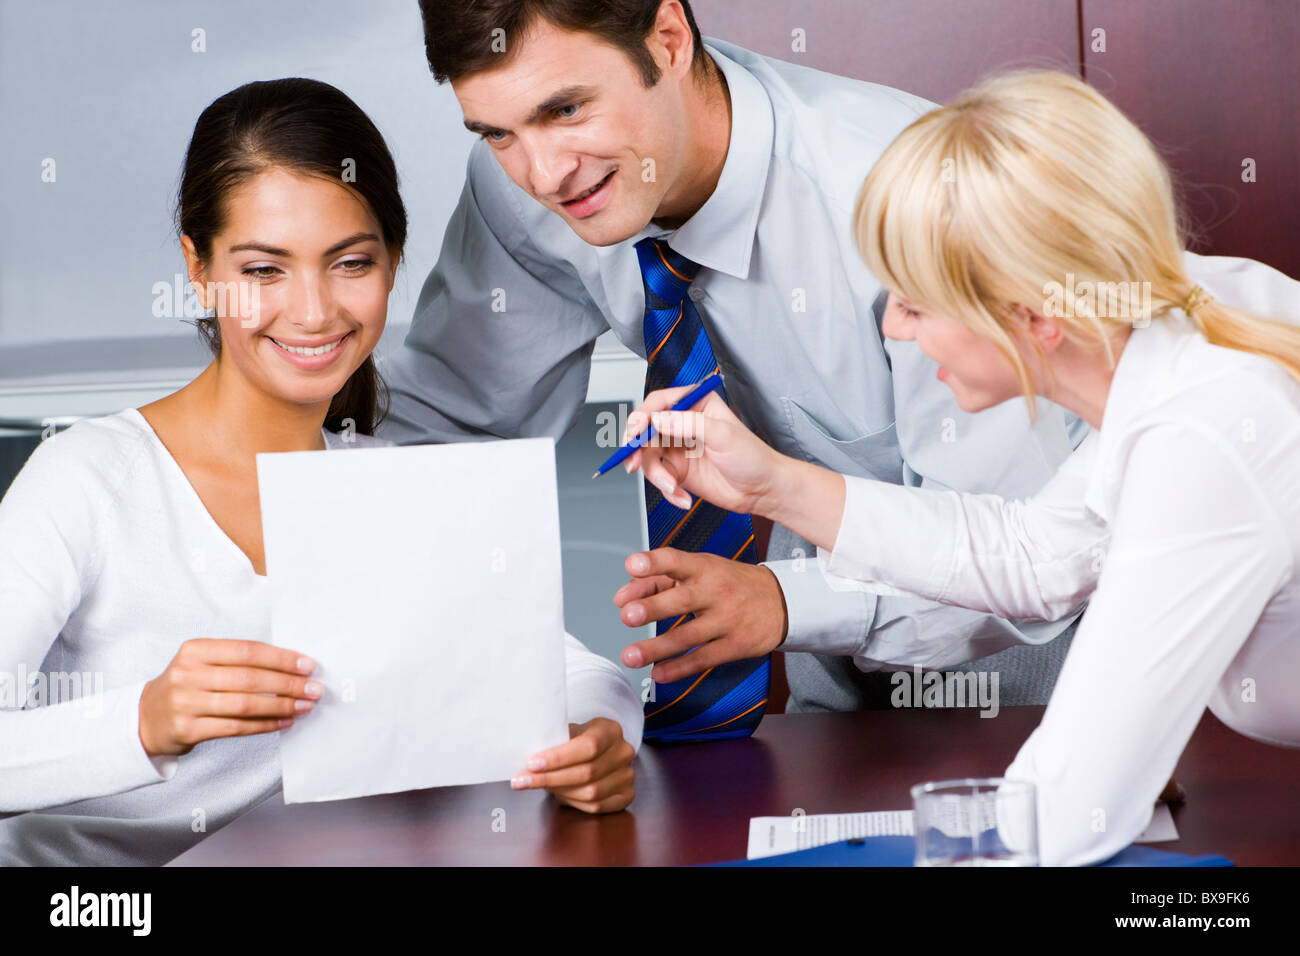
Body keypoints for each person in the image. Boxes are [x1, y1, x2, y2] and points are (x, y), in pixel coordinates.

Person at [382, 0, 1300, 723]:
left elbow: (1023, 550)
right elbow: (446, 424)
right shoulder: (533, 192)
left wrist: (785, 603)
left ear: (667, 37)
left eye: (566, 109)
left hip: (1035, 665)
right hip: (824, 675)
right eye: (496, 133)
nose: (542, 174)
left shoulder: (890, 194)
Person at [618, 69, 1300, 865]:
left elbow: (1068, 811)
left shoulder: (1205, 430)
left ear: (1031, 316)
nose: (899, 333)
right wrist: (770, 481)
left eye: (912, 302)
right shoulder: (1168, 364)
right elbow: (1034, 555)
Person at [0, 77, 641, 867]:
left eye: (349, 263)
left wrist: (599, 737)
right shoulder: (89, 480)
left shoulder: (389, 490)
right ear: (197, 269)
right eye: (264, 270)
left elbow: (566, 668)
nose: (312, 311)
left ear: (393, 264)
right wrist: (143, 720)